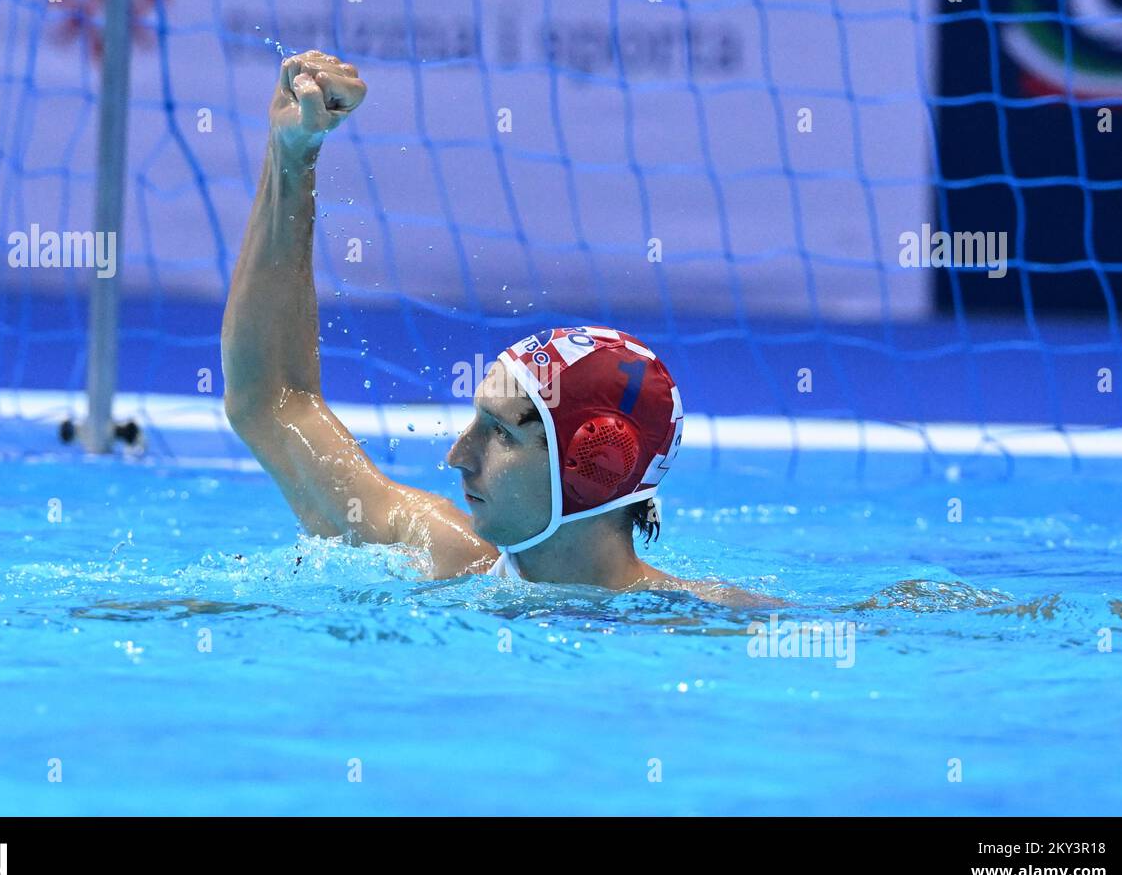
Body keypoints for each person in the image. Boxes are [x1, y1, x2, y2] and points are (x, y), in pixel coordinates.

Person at [221, 50, 779, 606]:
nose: (458, 455)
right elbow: (270, 399)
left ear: (592, 468)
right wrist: (293, 156)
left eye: (501, 433)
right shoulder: (449, 556)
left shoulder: (702, 620)